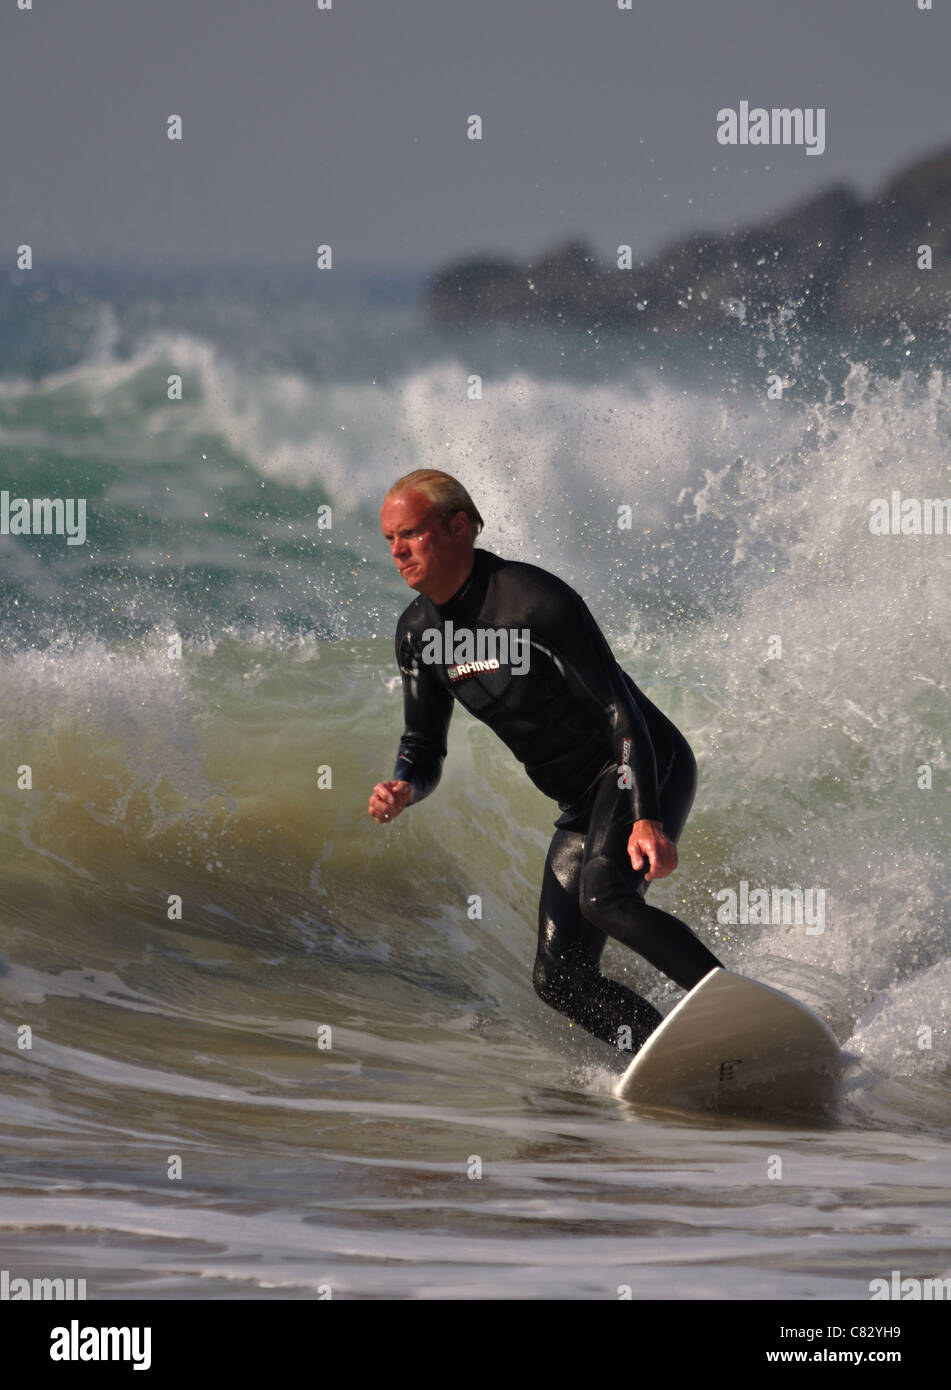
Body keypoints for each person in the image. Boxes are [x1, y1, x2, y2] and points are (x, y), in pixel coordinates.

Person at [368, 468, 724, 1053]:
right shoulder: (417, 635)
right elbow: (424, 746)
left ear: (459, 527)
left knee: (604, 895)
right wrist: (405, 784)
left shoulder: (532, 599)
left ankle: (726, 1006)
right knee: (559, 978)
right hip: (582, 801)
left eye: (411, 534)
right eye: (389, 539)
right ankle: (673, 1053)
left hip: (640, 763)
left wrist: (647, 817)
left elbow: (619, 710)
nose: (399, 551)